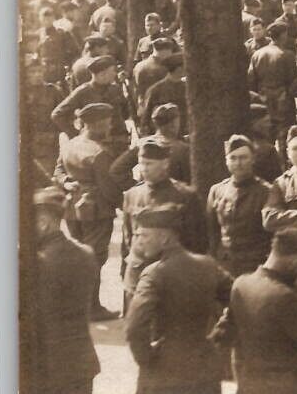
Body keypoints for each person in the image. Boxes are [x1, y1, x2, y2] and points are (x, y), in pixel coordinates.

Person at [125, 204, 233, 394]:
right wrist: (221, 334)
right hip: (205, 368)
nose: (138, 242)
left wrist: (147, 360)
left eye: (144, 235)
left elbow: (134, 328)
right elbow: (238, 300)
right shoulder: (207, 265)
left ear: (165, 238)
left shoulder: (154, 273)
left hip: (165, 374)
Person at [211, 227, 297, 394]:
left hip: (250, 387)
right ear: (296, 260)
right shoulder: (286, 297)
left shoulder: (241, 284)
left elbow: (224, 333)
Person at [29, 187, 100, 394]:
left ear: (43, 222)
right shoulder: (86, 253)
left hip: (45, 366)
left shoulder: (36, 263)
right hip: (80, 362)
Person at [52, 102, 123, 320]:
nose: (110, 126)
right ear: (97, 124)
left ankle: (76, 306)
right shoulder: (99, 153)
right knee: (94, 258)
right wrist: (125, 204)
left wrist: (66, 183)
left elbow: (58, 170)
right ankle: (92, 308)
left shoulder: (71, 145)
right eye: (107, 122)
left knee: (77, 256)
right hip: (97, 211)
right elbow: (109, 189)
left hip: (72, 208)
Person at [119, 137, 207, 300]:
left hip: (173, 275)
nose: (144, 169)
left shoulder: (185, 196)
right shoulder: (132, 195)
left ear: (165, 163)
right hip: (139, 274)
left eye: (149, 164)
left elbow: (198, 241)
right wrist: (126, 274)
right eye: (141, 163)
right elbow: (127, 240)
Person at [206, 134, 274, 277]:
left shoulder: (265, 191)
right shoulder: (217, 191)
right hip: (225, 265)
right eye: (233, 158)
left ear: (253, 159)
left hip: (255, 264)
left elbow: (272, 233)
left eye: (243, 157)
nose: (238, 163)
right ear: (226, 161)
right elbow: (212, 232)